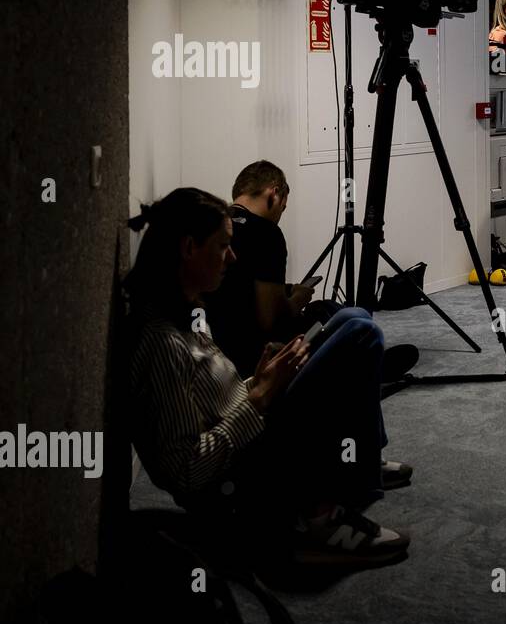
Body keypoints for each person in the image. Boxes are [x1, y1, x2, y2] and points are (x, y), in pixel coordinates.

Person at [125, 188, 410, 566]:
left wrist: (257, 382)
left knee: (351, 317)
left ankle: (356, 465)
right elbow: (187, 472)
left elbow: (215, 404)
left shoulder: (187, 314)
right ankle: (317, 520)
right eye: (223, 245)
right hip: (231, 487)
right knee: (362, 336)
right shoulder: (162, 343)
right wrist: (259, 399)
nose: (232, 256)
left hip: (252, 425)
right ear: (189, 247)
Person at [204, 161, 418, 389]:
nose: (279, 215)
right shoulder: (267, 234)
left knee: (333, 312)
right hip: (258, 354)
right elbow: (272, 320)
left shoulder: (214, 224)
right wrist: (298, 298)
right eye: (282, 208)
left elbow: (238, 288)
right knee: (335, 313)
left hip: (220, 348)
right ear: (274, 193)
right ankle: (368, 366)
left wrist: (284, 290)